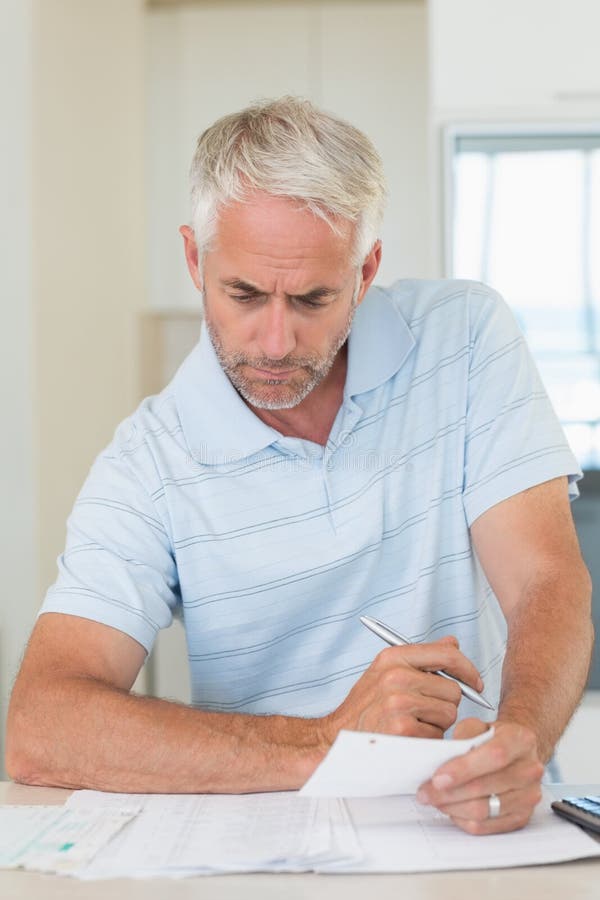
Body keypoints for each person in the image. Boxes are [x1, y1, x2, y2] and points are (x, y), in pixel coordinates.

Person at [6, 97, 593, 835]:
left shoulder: (466, 339)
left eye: (313, 298)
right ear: (195, 259)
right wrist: (328, 742)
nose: (277, 342)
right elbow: (42, 727)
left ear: (365, 270)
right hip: (271, 849)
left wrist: (521, 739)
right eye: (245, 294)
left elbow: (545, 579)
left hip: (476, 832)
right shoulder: (147, 464)